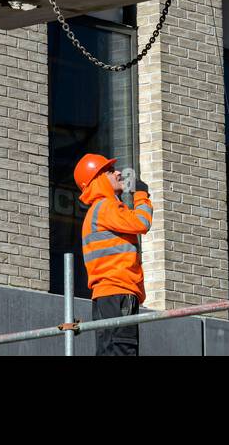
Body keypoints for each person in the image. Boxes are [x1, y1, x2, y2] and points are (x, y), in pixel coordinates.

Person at [75, 152, 153, 356]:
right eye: (110, 171)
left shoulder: (99, 210)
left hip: (108, 295)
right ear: (98, 180)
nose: (118, 172)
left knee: (109, 350)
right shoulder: (106, 207)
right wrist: (141, 195)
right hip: (119, 291)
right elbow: (141, 223)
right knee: (122, 349)